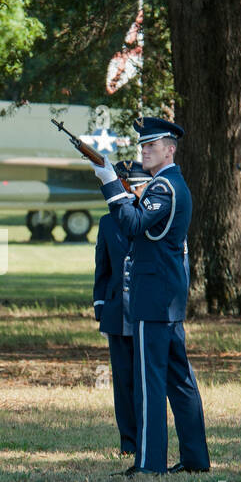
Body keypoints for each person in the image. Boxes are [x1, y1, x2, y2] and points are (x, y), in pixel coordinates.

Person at [91, 117, 209, 476]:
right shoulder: (167, 184)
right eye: (143, 145)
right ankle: (194, 458)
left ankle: (149, 462)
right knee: (178, 379)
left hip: (154, 297)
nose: (144, 150)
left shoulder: (163, 187)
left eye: (152, 145)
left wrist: (110, 183)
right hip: (164, 297)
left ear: (170, 149)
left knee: (151, 382)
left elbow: (131, 224)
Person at [92, 160, 152, 461]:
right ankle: (128, 440)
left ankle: (149, 437)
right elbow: (102, 269)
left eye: (133, 187)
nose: (129, 193)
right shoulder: (107, 222)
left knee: (146, 380)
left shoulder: (151, 217)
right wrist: (101, 307)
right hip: (117, 311)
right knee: (123, 380)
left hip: (145, 309)